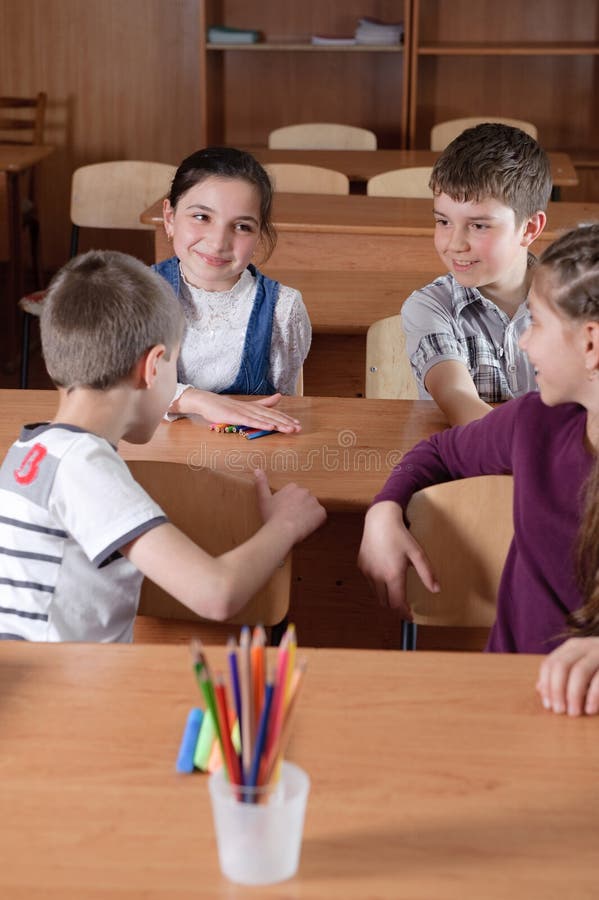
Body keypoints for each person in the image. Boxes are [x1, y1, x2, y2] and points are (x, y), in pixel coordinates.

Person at [0, 250, 326, 642]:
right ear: (152, 367)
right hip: (58, 679)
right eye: (177, 368)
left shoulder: (30, 451)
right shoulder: (85, 468)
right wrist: (285, 525)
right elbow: (215, 594)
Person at [359, 224, 599, 713]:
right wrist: (384, 509)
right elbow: (440, 453)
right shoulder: (535, 421)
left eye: (536, 324)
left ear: (590, 343)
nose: (524, 343)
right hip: (507, 699)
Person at [401, 123, 552, 425]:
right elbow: (458, 398)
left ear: (529, 228)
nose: (455, 244)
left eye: (479, 225)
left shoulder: (579, 300)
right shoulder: (430, 307)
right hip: (477, 457)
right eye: (443, 221)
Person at [153, 146, 311, 433]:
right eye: (202, 217)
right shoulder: (133, 295)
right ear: (169, 218)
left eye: (241, 226)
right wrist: (198, 401)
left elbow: (283, 404)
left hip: (244, 454)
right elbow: (115, 386)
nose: (218, 243)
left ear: (259, 234)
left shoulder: (282, 309)